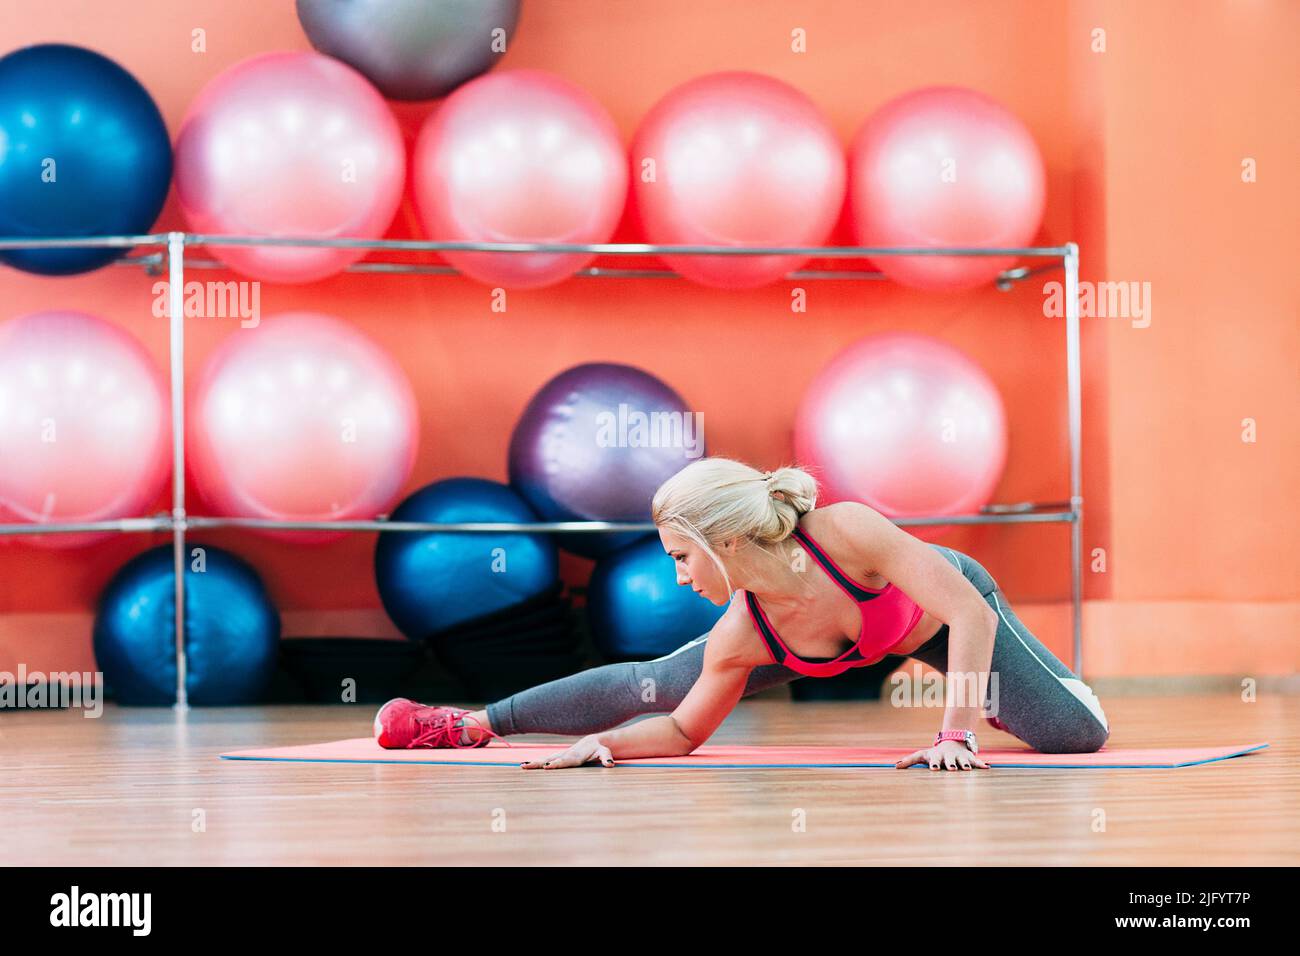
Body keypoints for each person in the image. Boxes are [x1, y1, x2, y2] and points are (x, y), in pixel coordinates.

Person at [373, 457, 1110, 772]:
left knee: (1078, 735)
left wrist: (957, 732)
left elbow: (965, 615)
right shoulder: (742, 632)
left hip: (950, 623)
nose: (676, 576)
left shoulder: (847, 532)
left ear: (725, 542)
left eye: (681, 558)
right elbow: (684, 728)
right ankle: (464, 724)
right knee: (659, 681)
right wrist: (604, 746)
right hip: (800, 638)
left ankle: (1037, 687)